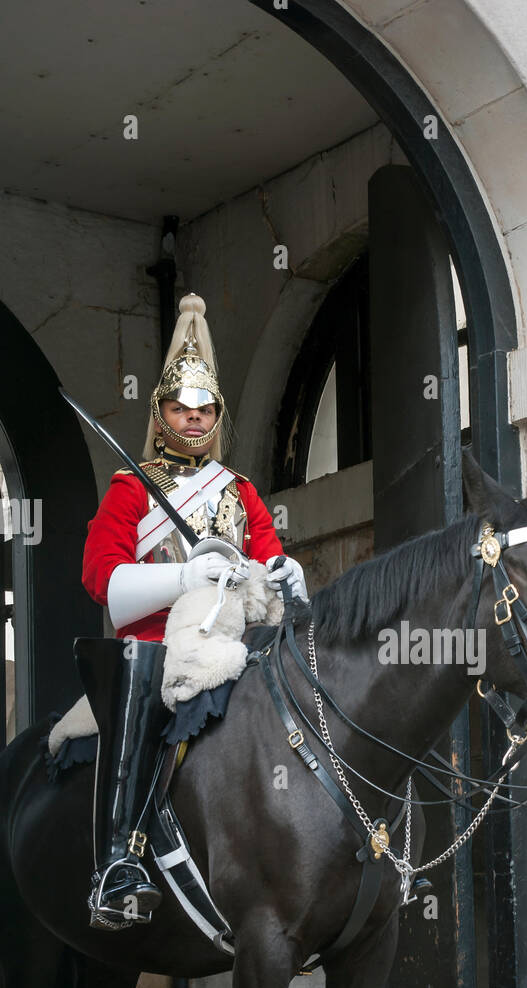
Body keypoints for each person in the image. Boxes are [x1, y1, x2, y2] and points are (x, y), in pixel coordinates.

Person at [79, 293, 306, 930]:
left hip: (239, 634)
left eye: (205, 409)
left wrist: (288, 575)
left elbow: (268, 556)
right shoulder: (133, 486)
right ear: (161, 414)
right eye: (182, 408)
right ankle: (120, 861)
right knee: (146, 678)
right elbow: (101, 576)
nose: (195, 420)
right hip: (157, 642)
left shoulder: (241, 491)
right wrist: (182, 575)